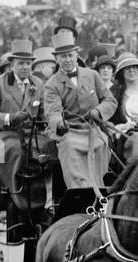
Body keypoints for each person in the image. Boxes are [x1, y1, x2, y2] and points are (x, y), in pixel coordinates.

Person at [42, 32, 118, 211]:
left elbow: (110, 100)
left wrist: (98, 111)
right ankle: (78, 192)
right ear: (57, 59)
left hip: (93, 129)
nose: (67, 60)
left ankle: (101, 190)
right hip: (70, 131)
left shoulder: (92, 76)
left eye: (70, 55)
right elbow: (52, 112)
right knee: (68, 145)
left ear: (77, 56)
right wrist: (60, 123)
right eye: (63, 56)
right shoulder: (52, 84)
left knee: (103, 142)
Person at [0, 39, 39, 201]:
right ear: (11, 65)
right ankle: (8, 195)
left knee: (48, 154)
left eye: (28, 63)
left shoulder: (39, 84)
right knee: (15, 151)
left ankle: (42, 197)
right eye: (21, 63)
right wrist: (9, 118)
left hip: (29, 135)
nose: (25, 67)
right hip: (0, 134)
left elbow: (45, 111)